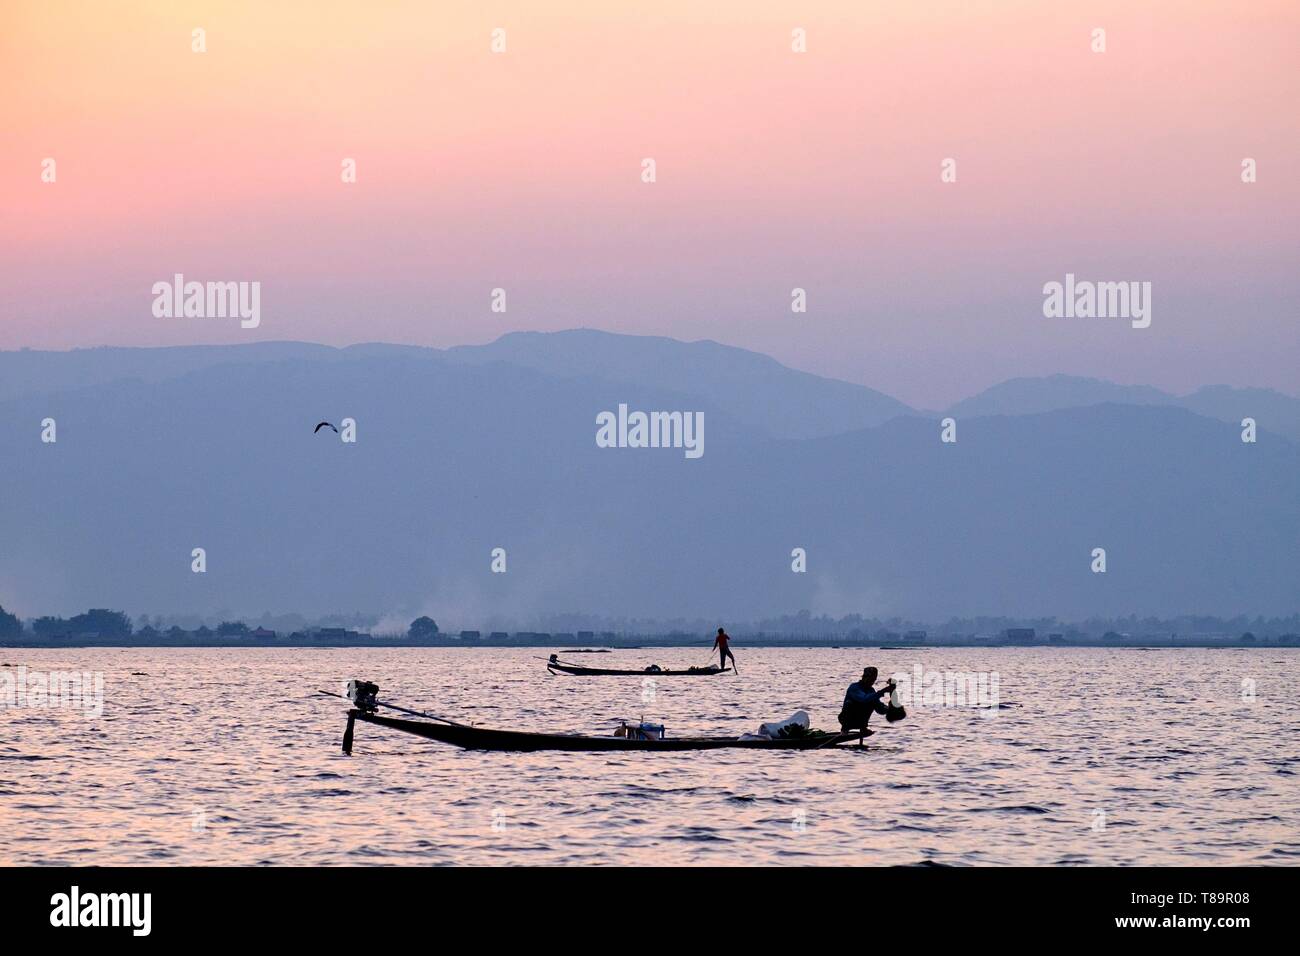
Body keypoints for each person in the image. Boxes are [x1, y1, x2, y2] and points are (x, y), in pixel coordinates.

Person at [839, 667, 894, 742]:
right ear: (864, 677)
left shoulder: (871, 691)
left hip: (861, 721)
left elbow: (879, 709)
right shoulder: (854, 687)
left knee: (872, 700)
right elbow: (863, 699)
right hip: (846, 720)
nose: (871, 682)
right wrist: (882, 691)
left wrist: (890, 709)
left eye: (873, 680)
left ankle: (863, 728)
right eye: (870, 679)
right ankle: (845, 729)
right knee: (853, 703)